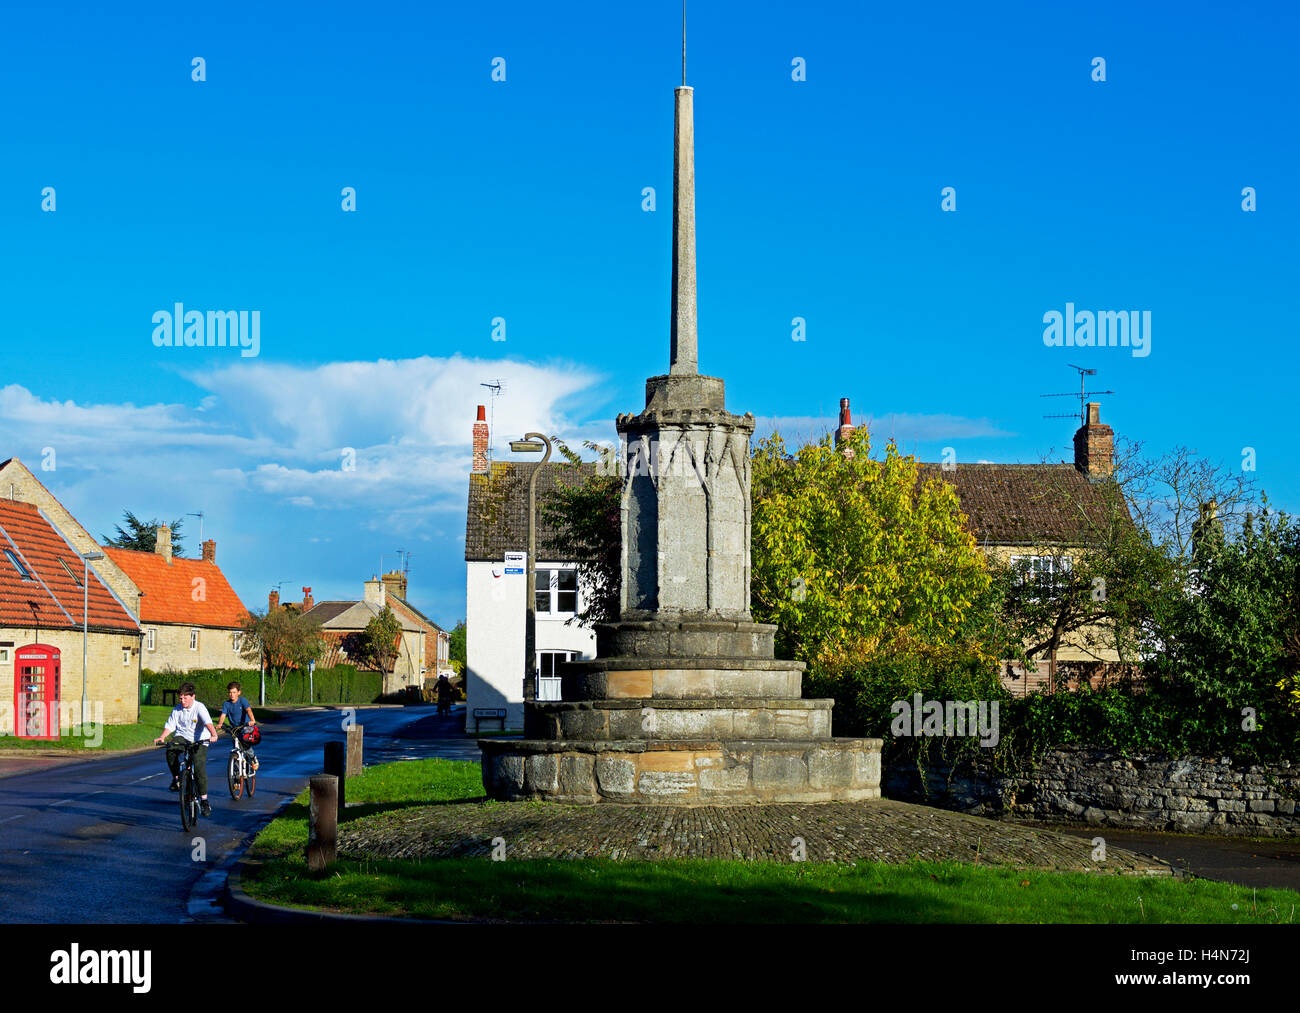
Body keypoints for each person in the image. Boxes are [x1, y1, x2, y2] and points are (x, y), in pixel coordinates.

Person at [153, 682, 217, 817]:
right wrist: (162, 737)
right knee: (170, 749)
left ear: (193, 696)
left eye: (185, 698)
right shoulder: (177, 709)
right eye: (180, 698)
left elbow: (207, 722)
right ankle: (177, 778)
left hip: (200, 739)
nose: (182, 701)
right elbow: (170, 726)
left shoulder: (200, 707)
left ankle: (204, 801)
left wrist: (214, 734)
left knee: (199, 768)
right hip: (182, 737)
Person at [214, 680, 259, 772]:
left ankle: (253, 757)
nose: (232, 694)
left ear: (239, 692)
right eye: (230, 692)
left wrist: (252, 720)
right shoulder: (226, 704)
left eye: (234, 692)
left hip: (246, 726)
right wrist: (220, 724)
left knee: (245, 742)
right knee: (235, 747)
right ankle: (236, 775)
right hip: (234, 728)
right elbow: (223, 715)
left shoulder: (243, 701)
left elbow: (248, 710)